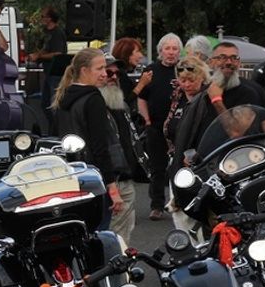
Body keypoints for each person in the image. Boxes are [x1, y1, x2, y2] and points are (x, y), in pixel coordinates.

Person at [53, 48, 129, 228]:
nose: (104, 74)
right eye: (99, 68)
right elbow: (100, 146)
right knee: (102, 233)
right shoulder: (93, 98)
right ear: (84, 70)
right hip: (93, 177)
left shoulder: (63, 97)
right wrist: (112, 187)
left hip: (70, 175)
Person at [172, 41, 265, 167]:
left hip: (235, 165)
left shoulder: (248, 92)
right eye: (222, 57)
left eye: (234, 58)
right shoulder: (204, 93)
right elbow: (194, 129)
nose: (229, 62)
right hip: (205, 164)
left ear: (239, 63)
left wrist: (217, 100)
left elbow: (236, 132)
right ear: (211, 63)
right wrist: (189, 154)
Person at [136, 33, 182, 220]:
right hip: (155, 126)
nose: (171, 52)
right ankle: (156, 206)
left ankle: (180, 203)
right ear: (160, 51)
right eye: (167, 48)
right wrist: (146, 120)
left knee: (180, 167)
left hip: (179, 127)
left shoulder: (184, 70)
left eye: (174, 49)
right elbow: (141, 97)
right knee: (157, 168)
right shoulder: (151, 71)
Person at [101, 55, 144, 244]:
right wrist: (111, 184)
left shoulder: (119, 103)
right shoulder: (94, 106)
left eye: (117, 73)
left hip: (125, 178)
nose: (113, 77)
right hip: (109, 180)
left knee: (124, 234)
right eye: (108, 72)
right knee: (112, 237)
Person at [27, 6, 67, 120]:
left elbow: (58, 53)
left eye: (43, 16)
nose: (41, 19)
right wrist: (36, 55)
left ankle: (58, 127)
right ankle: (52, 127)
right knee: (45, 104)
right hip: (48, 72)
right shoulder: (45, 33)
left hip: (56, 73)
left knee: (54, 105)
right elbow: (45, 49)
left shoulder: (57, 33)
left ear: (50, 18)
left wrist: (39, 56)